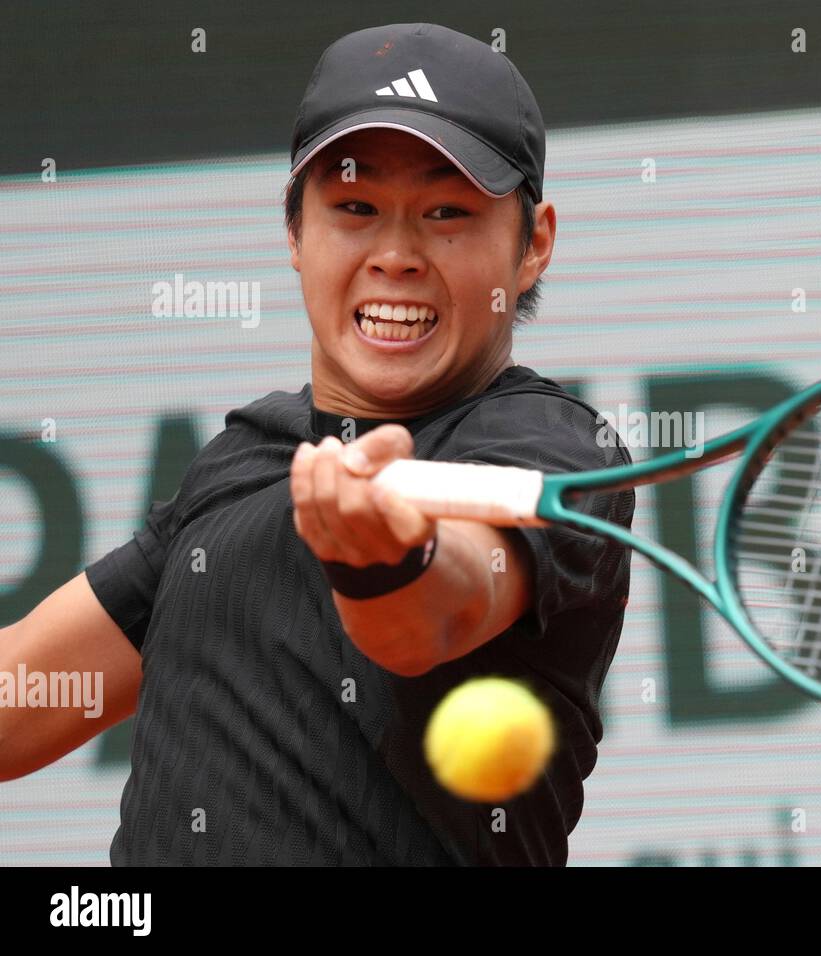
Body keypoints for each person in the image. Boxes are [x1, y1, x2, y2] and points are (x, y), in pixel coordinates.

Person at [0, 22, 634, 866]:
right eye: (355, 209)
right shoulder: (243, 460)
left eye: (448, 212)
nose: (397, 255)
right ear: (296, 234)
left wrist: (379, 559)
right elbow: (20, 706)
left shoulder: (555, 448)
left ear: (535, 244)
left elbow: (428, 619)